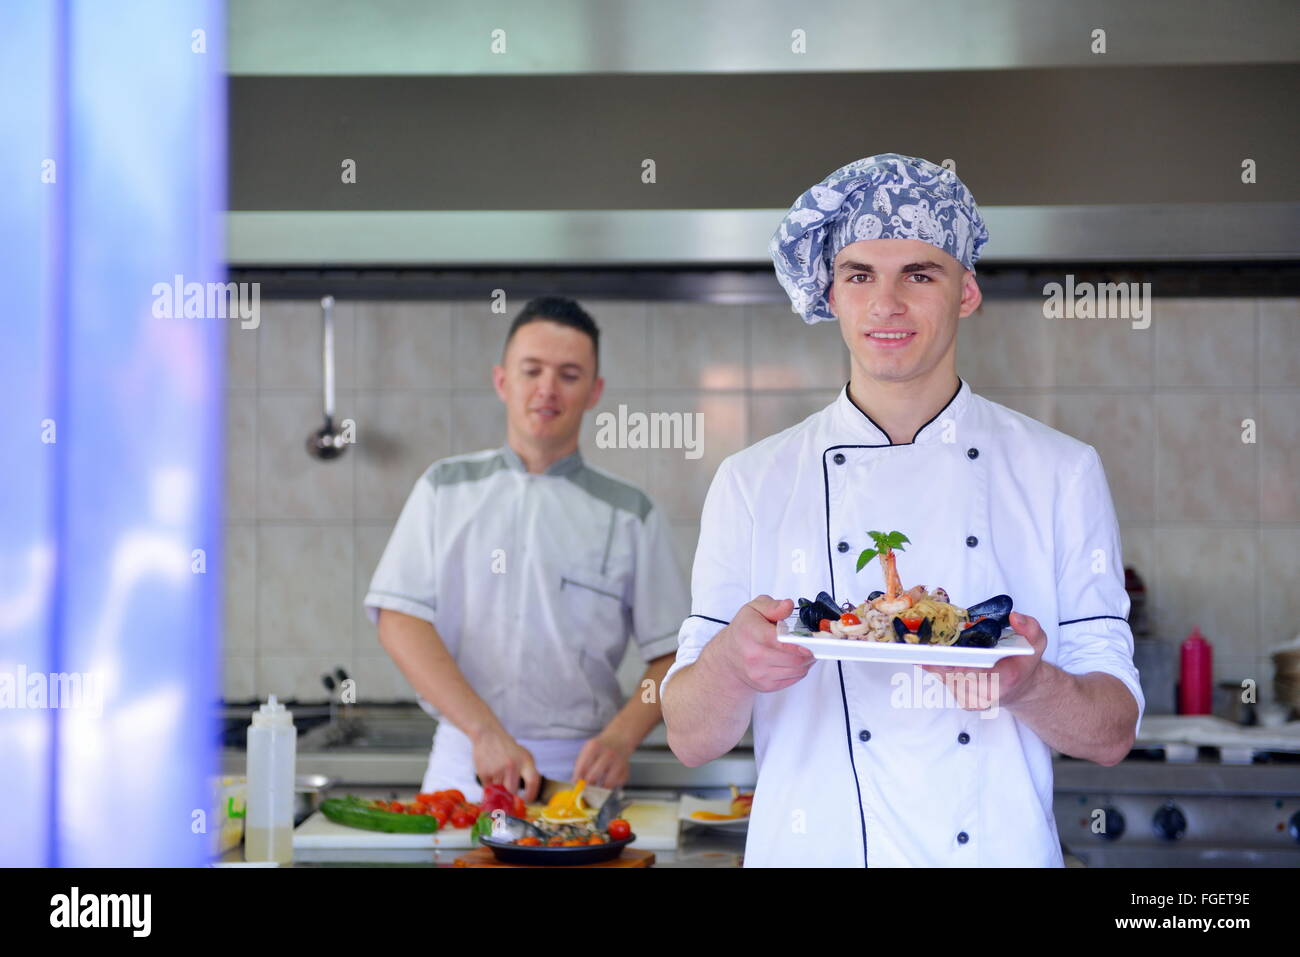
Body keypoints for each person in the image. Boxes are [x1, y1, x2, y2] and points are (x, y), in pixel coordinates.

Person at [660, 154, 1143, 867]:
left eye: (919, 274)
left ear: (967, 293)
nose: (886, 304)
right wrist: (732, 662)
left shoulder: (1061, 471)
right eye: (860, 275)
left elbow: (1111, 733)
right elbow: (691, 737)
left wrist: (1028, 682)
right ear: (832, 292)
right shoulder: (752, 481)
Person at [365, 296, 688, 802]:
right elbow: (398, 619)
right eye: (531, 370)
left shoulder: (631, 512)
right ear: (502, 381)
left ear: (594, 391)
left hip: (581, 775)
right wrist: (483, 731)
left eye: (569, 374)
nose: (547, 389)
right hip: (465, 764)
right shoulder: (443, 488)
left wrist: (622, 737)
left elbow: (672, 653)